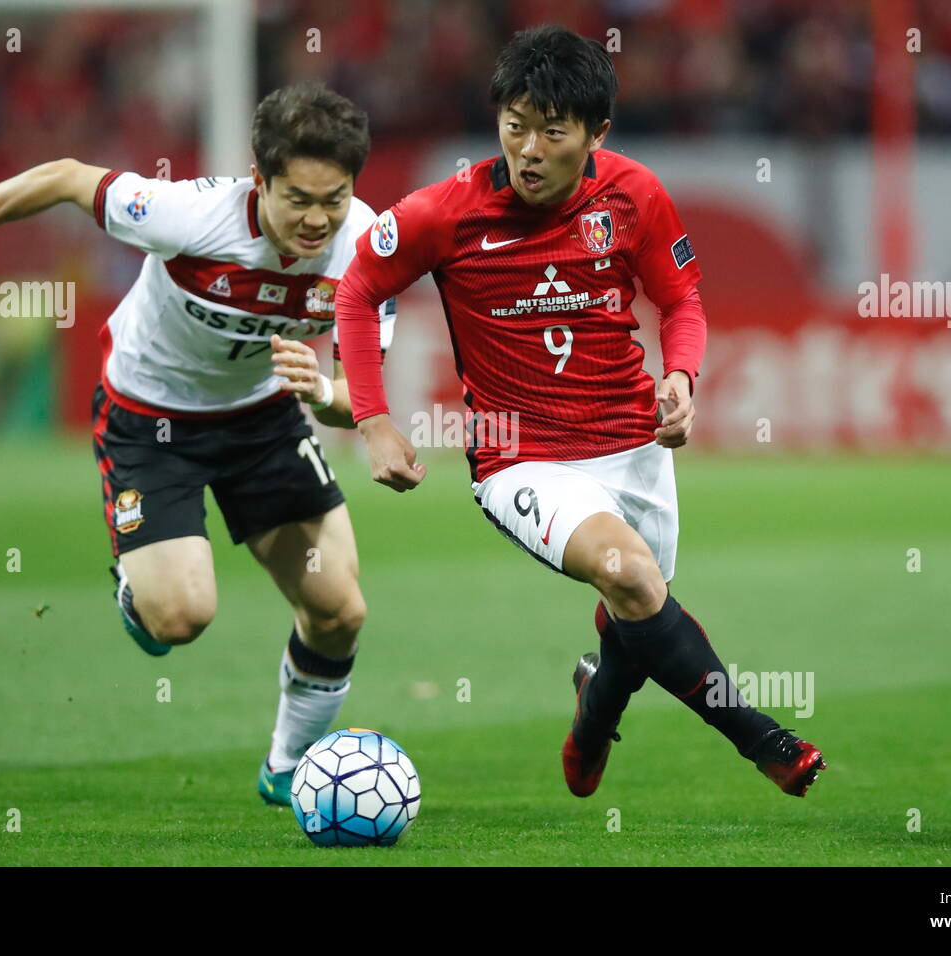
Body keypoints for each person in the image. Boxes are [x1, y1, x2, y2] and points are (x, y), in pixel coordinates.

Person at [334, 27, 825, 798]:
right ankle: (766, 741)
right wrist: (372, 418)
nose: (528, 149)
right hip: (520, 457)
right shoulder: (444, 213)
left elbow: (680, 298)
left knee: (639, 611)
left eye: (552, 131)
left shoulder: (634, 195)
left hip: (634, 447)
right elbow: (358, 289)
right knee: (629, 577)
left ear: (595, 134)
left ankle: (592, 716)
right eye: (514, 125)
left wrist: (683, 377)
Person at [0, 81, 396, 806]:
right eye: (299, 199)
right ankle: (139, 589)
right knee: (180, 618)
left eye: (335, 199)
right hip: (151, 419)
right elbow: (66, 177)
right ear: (260, 181)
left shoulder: (367, 252)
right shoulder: (189, 213)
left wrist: (321, 393)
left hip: (264, 420)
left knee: (339, 609)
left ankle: (288, 766)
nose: (318, 220)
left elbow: (363, 402)